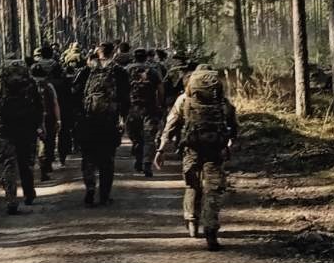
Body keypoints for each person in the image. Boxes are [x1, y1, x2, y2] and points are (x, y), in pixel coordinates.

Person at [157, 64, 238, 251]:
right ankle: (210, 228)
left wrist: (161, 149)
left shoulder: (183, 101)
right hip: (215, 149)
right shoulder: (222, 103)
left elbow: (170, 125)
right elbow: (232, 125)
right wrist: (230, 142)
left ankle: (191, 220)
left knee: (192, 185)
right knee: (213, 189)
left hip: (191, 148)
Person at [72, 40, 130, 207]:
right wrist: (122, 119)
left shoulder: (85, 71)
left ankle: (90, 187)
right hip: (109, 121)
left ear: (98, 53)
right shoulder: (119, 72)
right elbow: (125, 98)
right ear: (113, 53)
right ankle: (104, 195)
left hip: (88, 120)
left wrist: (78, 118)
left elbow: (74, 94)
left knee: (88, 157)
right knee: (107, 159)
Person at [0, 58, 43, 214]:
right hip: (27, 128)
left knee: (9, 164)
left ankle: (11, 200)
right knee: (26, 163)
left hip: (4, 128)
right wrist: (38, 125)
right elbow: (38, 105)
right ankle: (29, 194)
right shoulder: (30, 81)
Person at [126, 47, 165, 177]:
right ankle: (147, 163)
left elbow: (121, 90)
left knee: (136, 137)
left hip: (133, 109)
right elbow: (160, 89)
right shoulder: (153, 71)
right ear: (145, 57)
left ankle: (139, 159)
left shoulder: (127, 70)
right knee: (149, 137)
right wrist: (160, 104)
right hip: (150, 108)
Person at [32, 42, 72, 165]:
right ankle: (62, 155)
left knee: (40, 133)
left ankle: (44, 159)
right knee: (61, 131)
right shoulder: (57, 67)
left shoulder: (35, 67)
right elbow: (67, 86)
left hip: (39, 106)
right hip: (60, 103)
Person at [31, 59, 62, 180]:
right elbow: (55, 103)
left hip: (32, 119)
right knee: (48, 143)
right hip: (48, 118)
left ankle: (35, 168)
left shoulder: (28, 85)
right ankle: (45, 167)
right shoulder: (48, 85)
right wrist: (58, 120)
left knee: (35, 145)